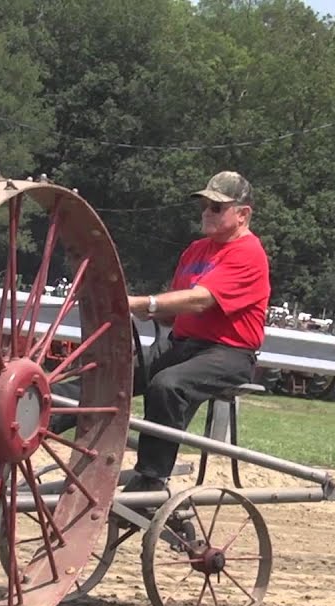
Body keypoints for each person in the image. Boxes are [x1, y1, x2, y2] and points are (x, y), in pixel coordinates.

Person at [52, 171, 271, 495]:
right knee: (110, 374)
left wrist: (143, 303)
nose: (206, 213)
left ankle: (152, 478)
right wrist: (119, 304)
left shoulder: (248, 254)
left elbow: (200, 300)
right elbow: (173, 311)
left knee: (167, 385)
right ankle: (42, 421)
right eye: (205, 206)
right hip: (181, 344)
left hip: (228, 353)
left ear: (243, 214)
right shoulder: (195, 251)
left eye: (216, 207)